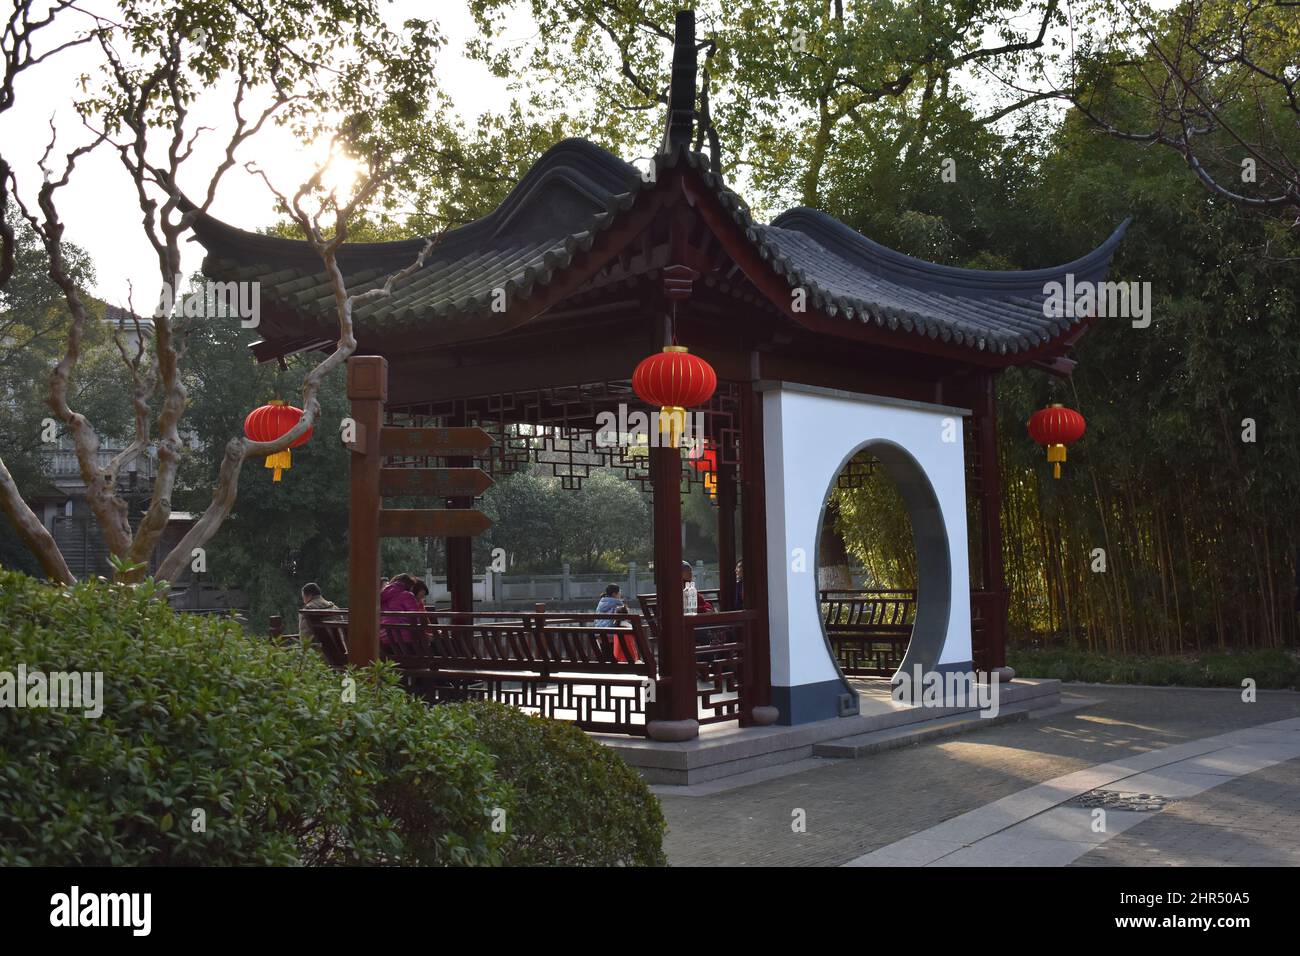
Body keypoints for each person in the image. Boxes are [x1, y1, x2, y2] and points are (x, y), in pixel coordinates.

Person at [380, 573, 427, 650]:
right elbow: (416, 619)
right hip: (405, 642)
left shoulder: (381, 597)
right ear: (409, 586)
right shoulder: (407, 595)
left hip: (384, 641)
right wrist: (425, 636)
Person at [594, 583, 637, 663]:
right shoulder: (617, 604)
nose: (620, 595)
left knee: (607, 657)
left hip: (599, 635)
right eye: (619, 592)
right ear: (614, 594)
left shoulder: (601, 603)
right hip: (611, 635)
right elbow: (622, 620)